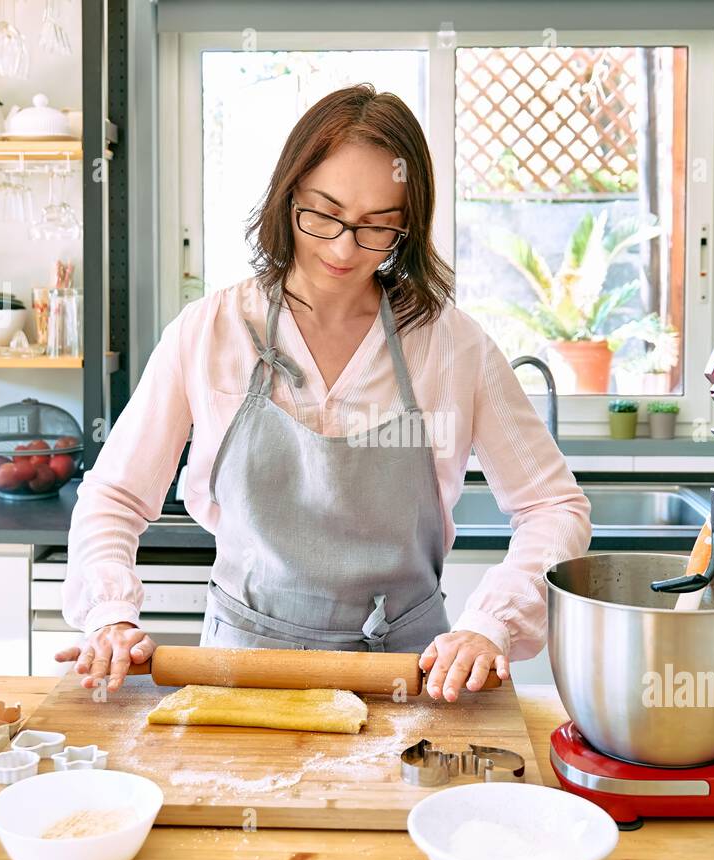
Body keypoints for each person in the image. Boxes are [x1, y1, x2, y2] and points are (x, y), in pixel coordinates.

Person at [59, 84, 591, 700]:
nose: (343, 247)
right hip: (242, 677)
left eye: (376, 227)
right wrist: (110, 614)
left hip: (409, 682)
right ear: (288, 197)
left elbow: (554, 507)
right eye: (325, 214)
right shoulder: (210, 332)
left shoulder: (450, 346)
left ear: (408, 227)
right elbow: (116, 495)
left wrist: (491, 623)